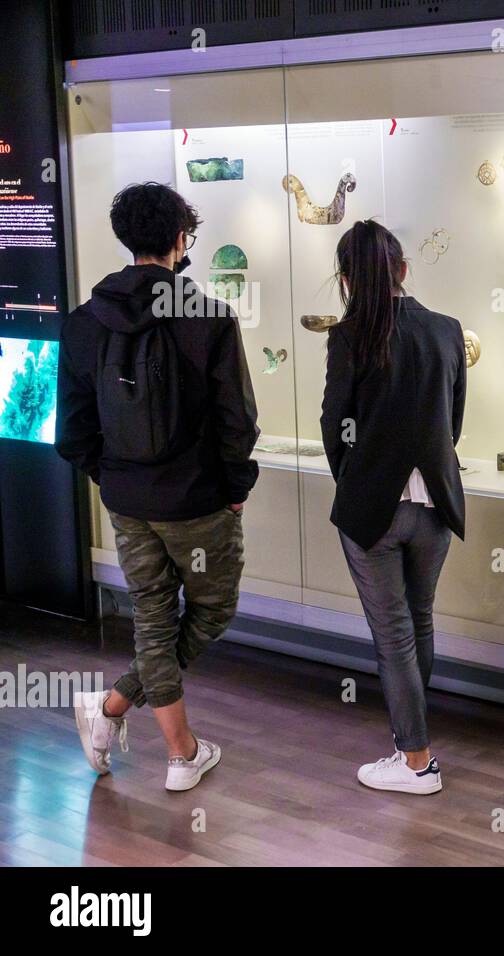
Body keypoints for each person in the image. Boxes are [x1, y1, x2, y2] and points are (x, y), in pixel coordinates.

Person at [57, 182, 259, 792]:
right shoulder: (210, 319)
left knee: (151, 614)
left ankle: (118, 711)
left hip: (126, 499)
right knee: (213, 608)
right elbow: (237, 421)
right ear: (179, 241)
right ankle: (178, 751)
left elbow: (72, 430)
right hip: (198, 499)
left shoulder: (84, 322)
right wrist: (235, 486)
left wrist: (112, 475)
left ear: (126, 239)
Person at [322, 219, 467, 795]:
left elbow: (337, 425)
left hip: (374, 513)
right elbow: (452, 423)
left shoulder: (348, 334)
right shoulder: (447, 330)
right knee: (419, 620)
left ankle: (416, 760)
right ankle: (412, 745)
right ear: (404, 269)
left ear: (346, 279)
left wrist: (357, 482)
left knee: (393, 634)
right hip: (435, 506)